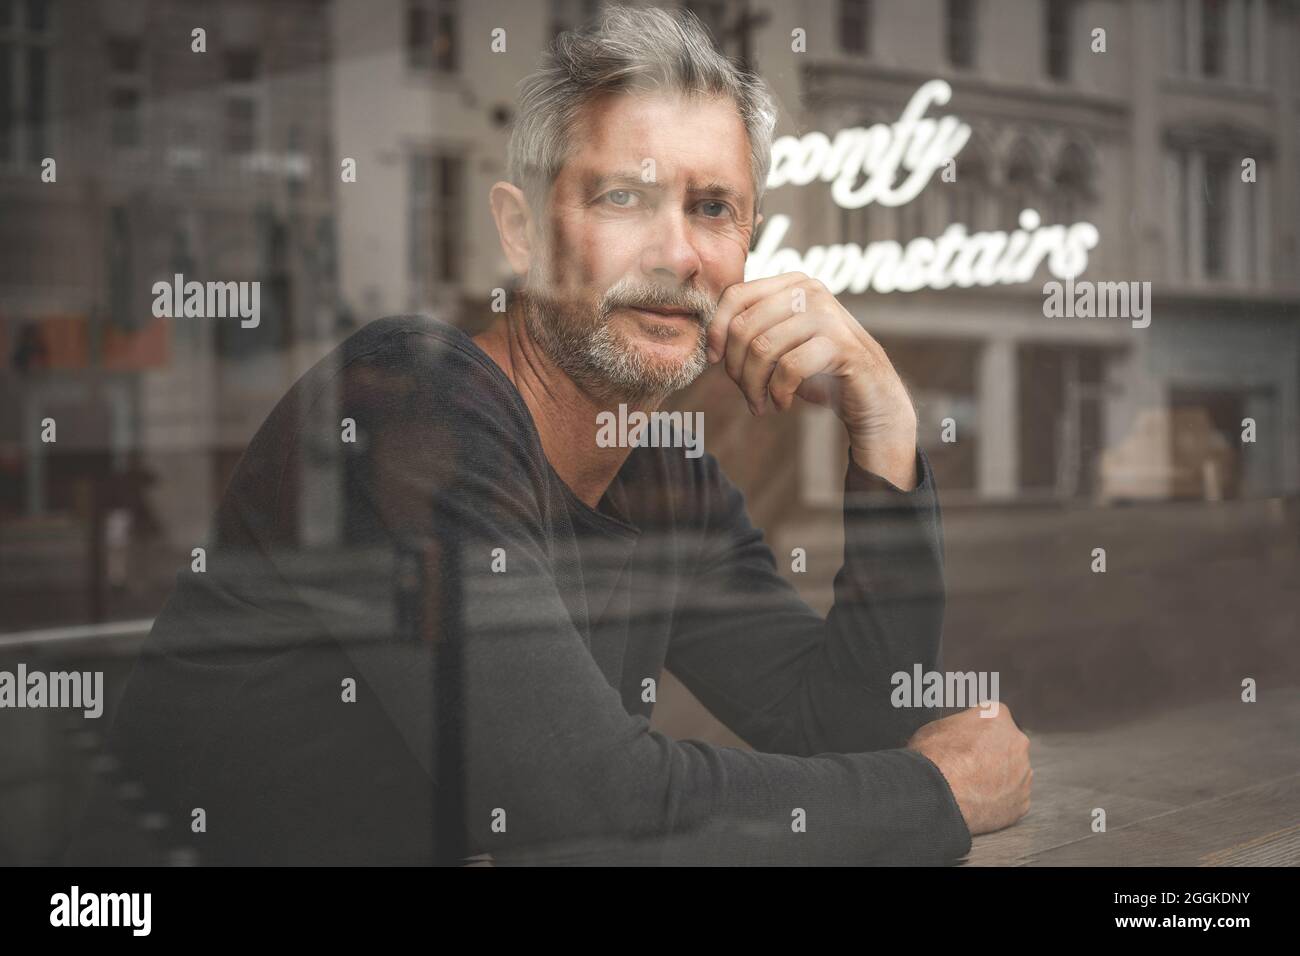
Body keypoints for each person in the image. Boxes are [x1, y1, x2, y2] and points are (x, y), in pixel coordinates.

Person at [72, 4, 1030, 866]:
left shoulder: (665, 476)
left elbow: (834, 721)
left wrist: (885, 421)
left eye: (712, 209)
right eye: (622, 198)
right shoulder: (409, 398)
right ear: (522, 234)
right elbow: (586, 807)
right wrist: (937, 793)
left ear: (749, 246)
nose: (677, 252)